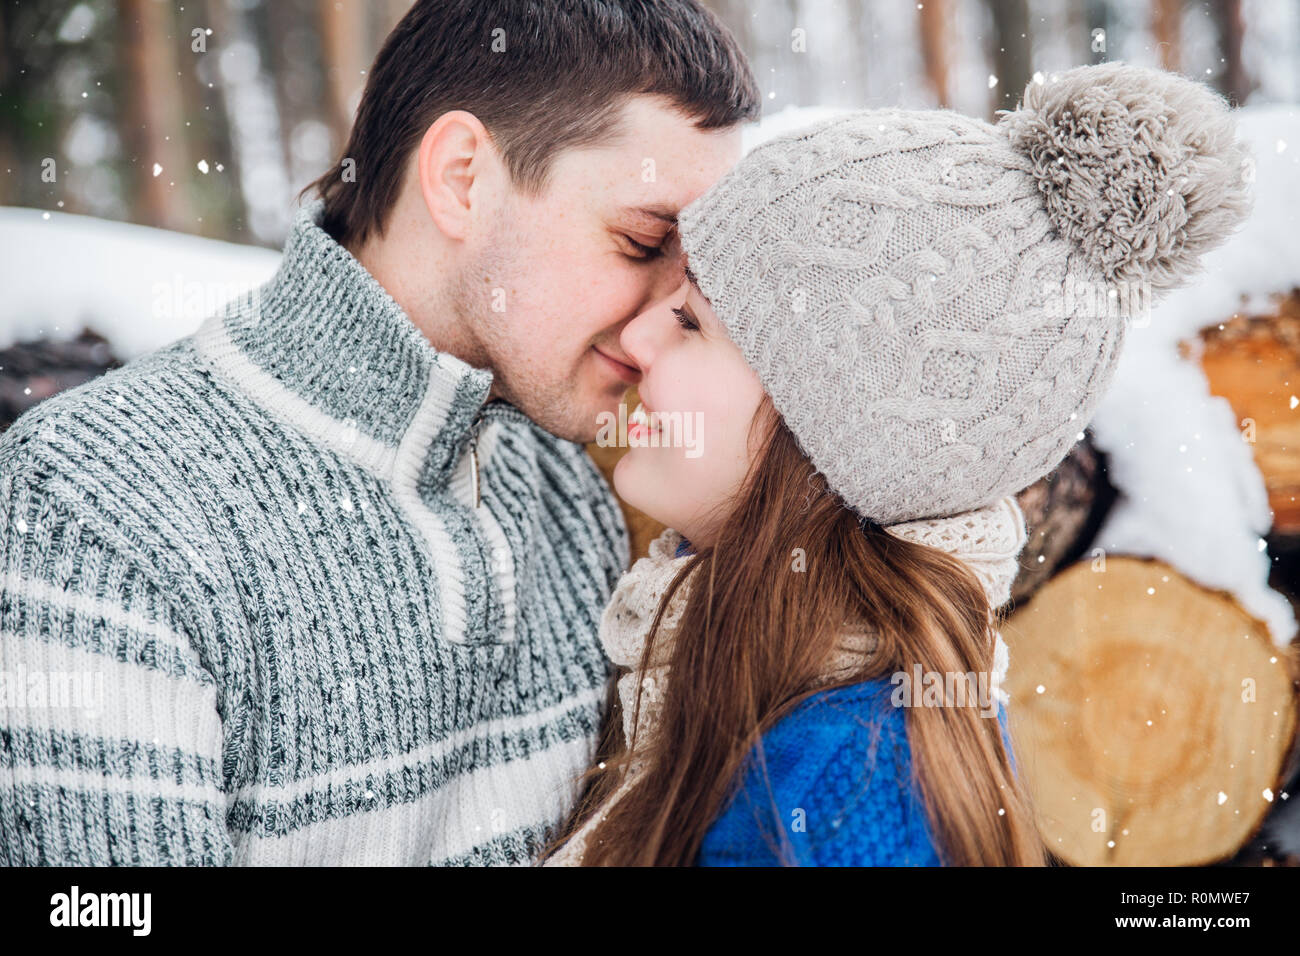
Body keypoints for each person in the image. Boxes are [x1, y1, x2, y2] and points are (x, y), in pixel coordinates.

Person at [0, 0, 759, 865]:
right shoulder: (94, 509)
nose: (670, 318)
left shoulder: (574, 480)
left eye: (691, 273)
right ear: (462, 177)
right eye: (641, 241)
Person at [540, 61, 1255, 866]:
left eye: (692, 323)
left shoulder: (850, 794)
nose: (637, 341)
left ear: (827, 435)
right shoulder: (745, 696)